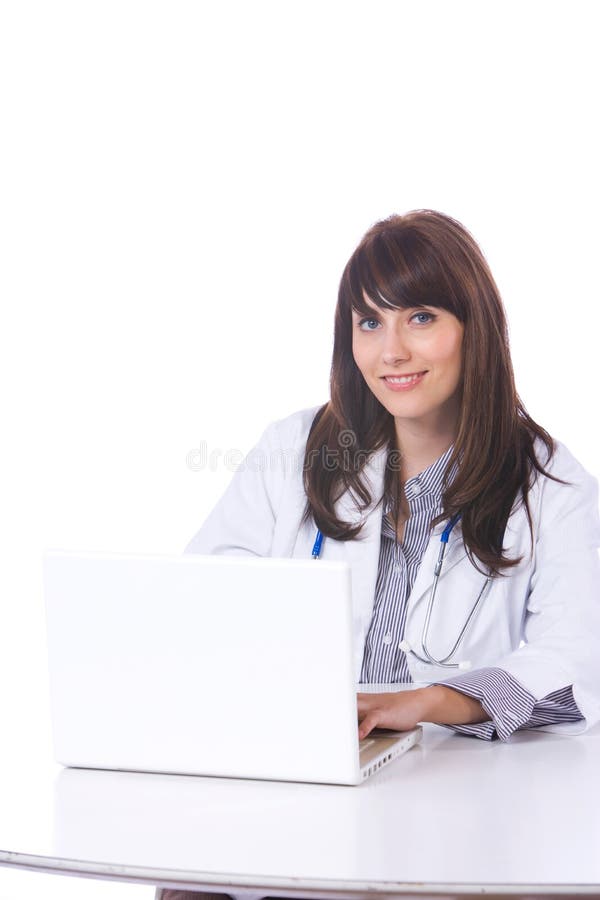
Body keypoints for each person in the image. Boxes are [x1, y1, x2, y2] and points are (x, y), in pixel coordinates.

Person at [157, 210, 600, 899]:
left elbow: (575, 665)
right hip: (297, 806)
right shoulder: (300, 451)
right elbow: (206, 597)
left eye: (420, 317)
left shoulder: (552, 487)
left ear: (472, 329)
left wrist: (427, 702)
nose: (390, 350)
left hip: (460, 831)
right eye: (369, 323)